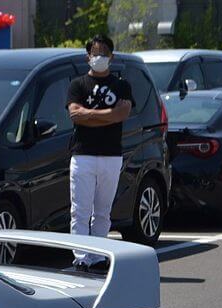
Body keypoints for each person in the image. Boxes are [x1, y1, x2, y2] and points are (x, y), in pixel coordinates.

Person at [67, 35, 133, 267]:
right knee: (80, 211)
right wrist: (107, 116)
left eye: (104, 54)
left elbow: (122, 113)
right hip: (83, 155)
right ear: (88, 57)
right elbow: (75, 114)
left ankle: (97, 256)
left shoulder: (121, 85)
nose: (99, 58)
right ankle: (82, 259)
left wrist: (90, 115)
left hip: (111, 156)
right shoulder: (78, 85)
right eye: (95, 53)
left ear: (112, 57)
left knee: (103, 212)